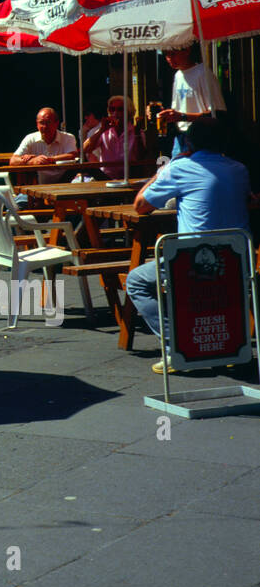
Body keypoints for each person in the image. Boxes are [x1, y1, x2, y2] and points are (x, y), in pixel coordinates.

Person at [125, 117, 251, 371]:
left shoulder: (181, 168)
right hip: (236, 261)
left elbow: (141, 206)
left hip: (194, 262)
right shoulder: (240, 169)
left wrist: (163, 170)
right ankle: (223, 343)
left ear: (189, 142)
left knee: (136, 281)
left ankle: (179, 348)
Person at [158, 45, 226, 157]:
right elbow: (178, 111)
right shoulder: (178, 75)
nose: (169, 58)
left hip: (201, 139)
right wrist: (164, 114)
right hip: (180, 137)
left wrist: (182, 117)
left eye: (173, 54)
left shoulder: (203, 73)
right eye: (166, 54)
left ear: (187, 50)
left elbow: (217, 114)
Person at [10, 107, 79, 183]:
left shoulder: (68, 137)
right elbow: (13, 161)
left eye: (48, 122)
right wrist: (33, 161)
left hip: (65, 183)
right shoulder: (30, 138)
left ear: (56, 123)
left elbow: (73, 155)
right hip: (38, 187)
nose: (45, 127)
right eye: (41, 122)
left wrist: (49, 159)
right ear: (37, 124)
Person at [82, 96, 144, 179]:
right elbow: (85, 149)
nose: (115, 112)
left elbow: (141, 156)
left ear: (129, 112)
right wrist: (101, 130)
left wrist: (137, 134)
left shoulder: (136, 131)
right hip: (106, 177)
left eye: (120, 109)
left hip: (129, 177)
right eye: (112, 109)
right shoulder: (103, 130)